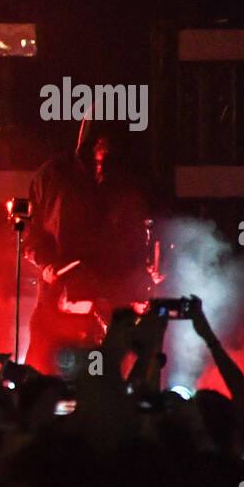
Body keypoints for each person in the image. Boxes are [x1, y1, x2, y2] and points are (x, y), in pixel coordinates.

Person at [23, 116, 150, 371]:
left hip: (111, 304)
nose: (103, 150)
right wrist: (48, 265)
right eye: (99, 141)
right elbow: (30, 233)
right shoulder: (52, 176)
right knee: (43, 373)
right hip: (60, 300)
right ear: (88, 139)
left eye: (110, 143)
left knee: (113, 378)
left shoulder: (128, 183)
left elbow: (140, 235)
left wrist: (144, 270)